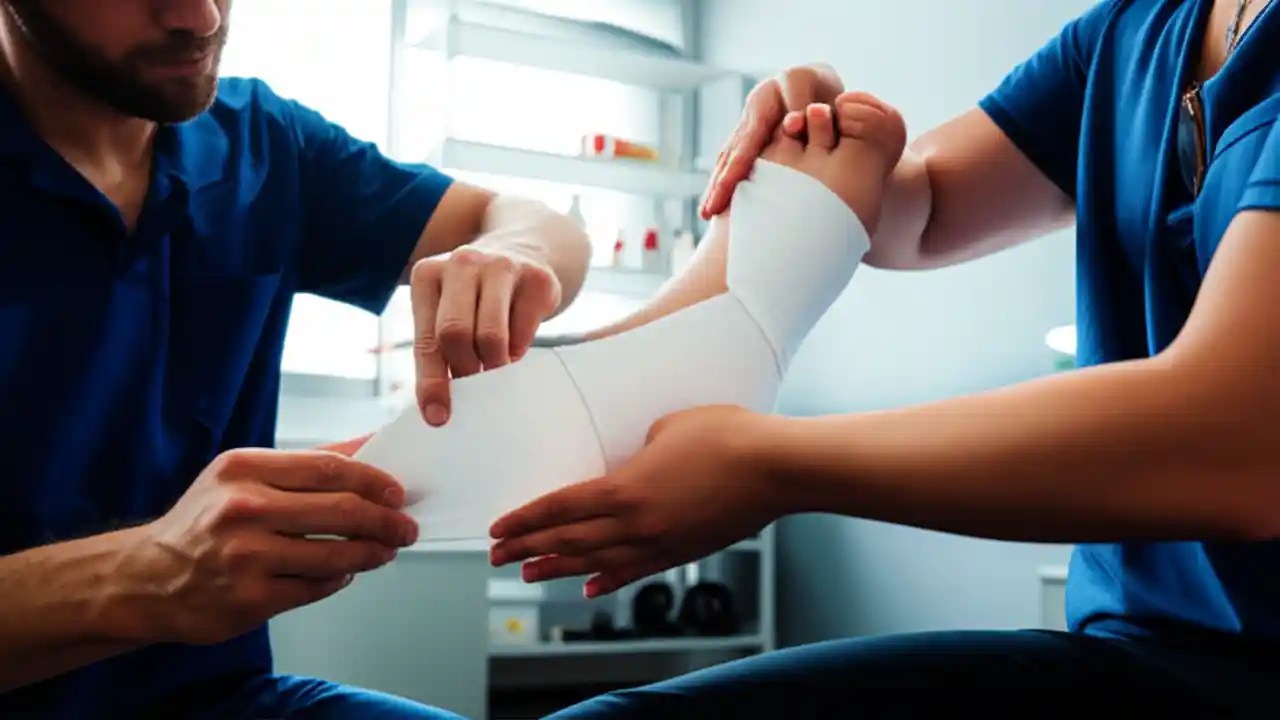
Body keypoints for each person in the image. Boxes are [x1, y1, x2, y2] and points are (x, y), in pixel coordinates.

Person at [489, 0, 1280, 716]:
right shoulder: (1132, 31)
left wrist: (772, 465)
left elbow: (1237, 439)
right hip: (1142, 654)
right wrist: (831, 142)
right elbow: (923, 204)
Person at [0, 0, 592, 717]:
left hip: (222, 699)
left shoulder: (261, 144)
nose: (202, 17)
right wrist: (144, 575)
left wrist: (514, 255)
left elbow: (537, 225)